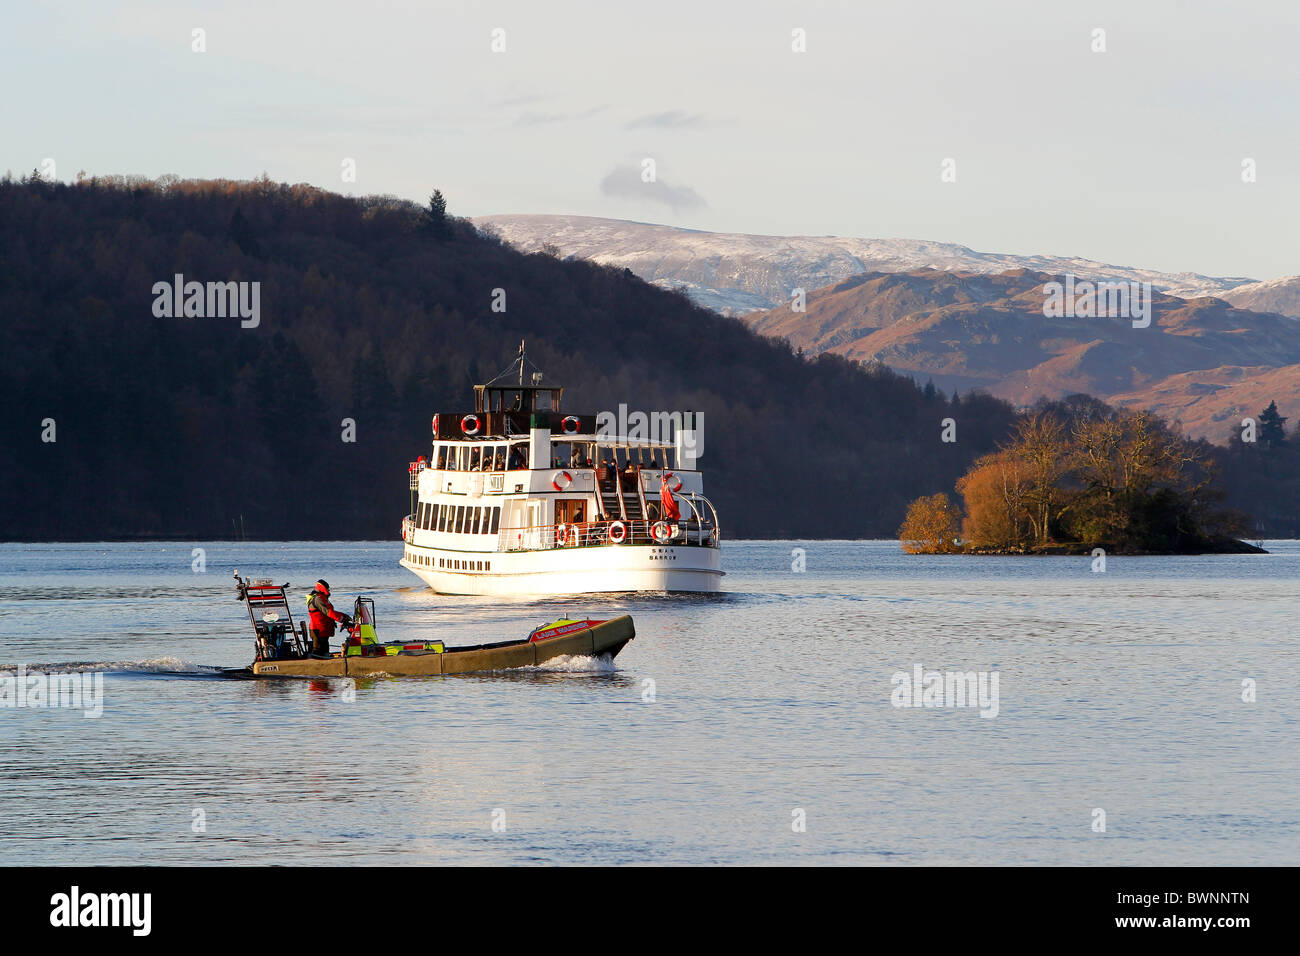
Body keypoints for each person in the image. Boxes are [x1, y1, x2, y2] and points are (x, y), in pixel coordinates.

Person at [306, 579, 350, 658]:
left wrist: (342, 616)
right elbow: (329, 612)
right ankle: (316, 667)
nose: (329, 591)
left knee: (325, 651)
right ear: (323, 588)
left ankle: (327, 664)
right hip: (318, 630)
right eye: (327, 589)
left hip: (323, 629)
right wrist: (343, 618)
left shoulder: (322, 598)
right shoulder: (317, 599)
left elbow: (329, 613)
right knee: (318, 652)